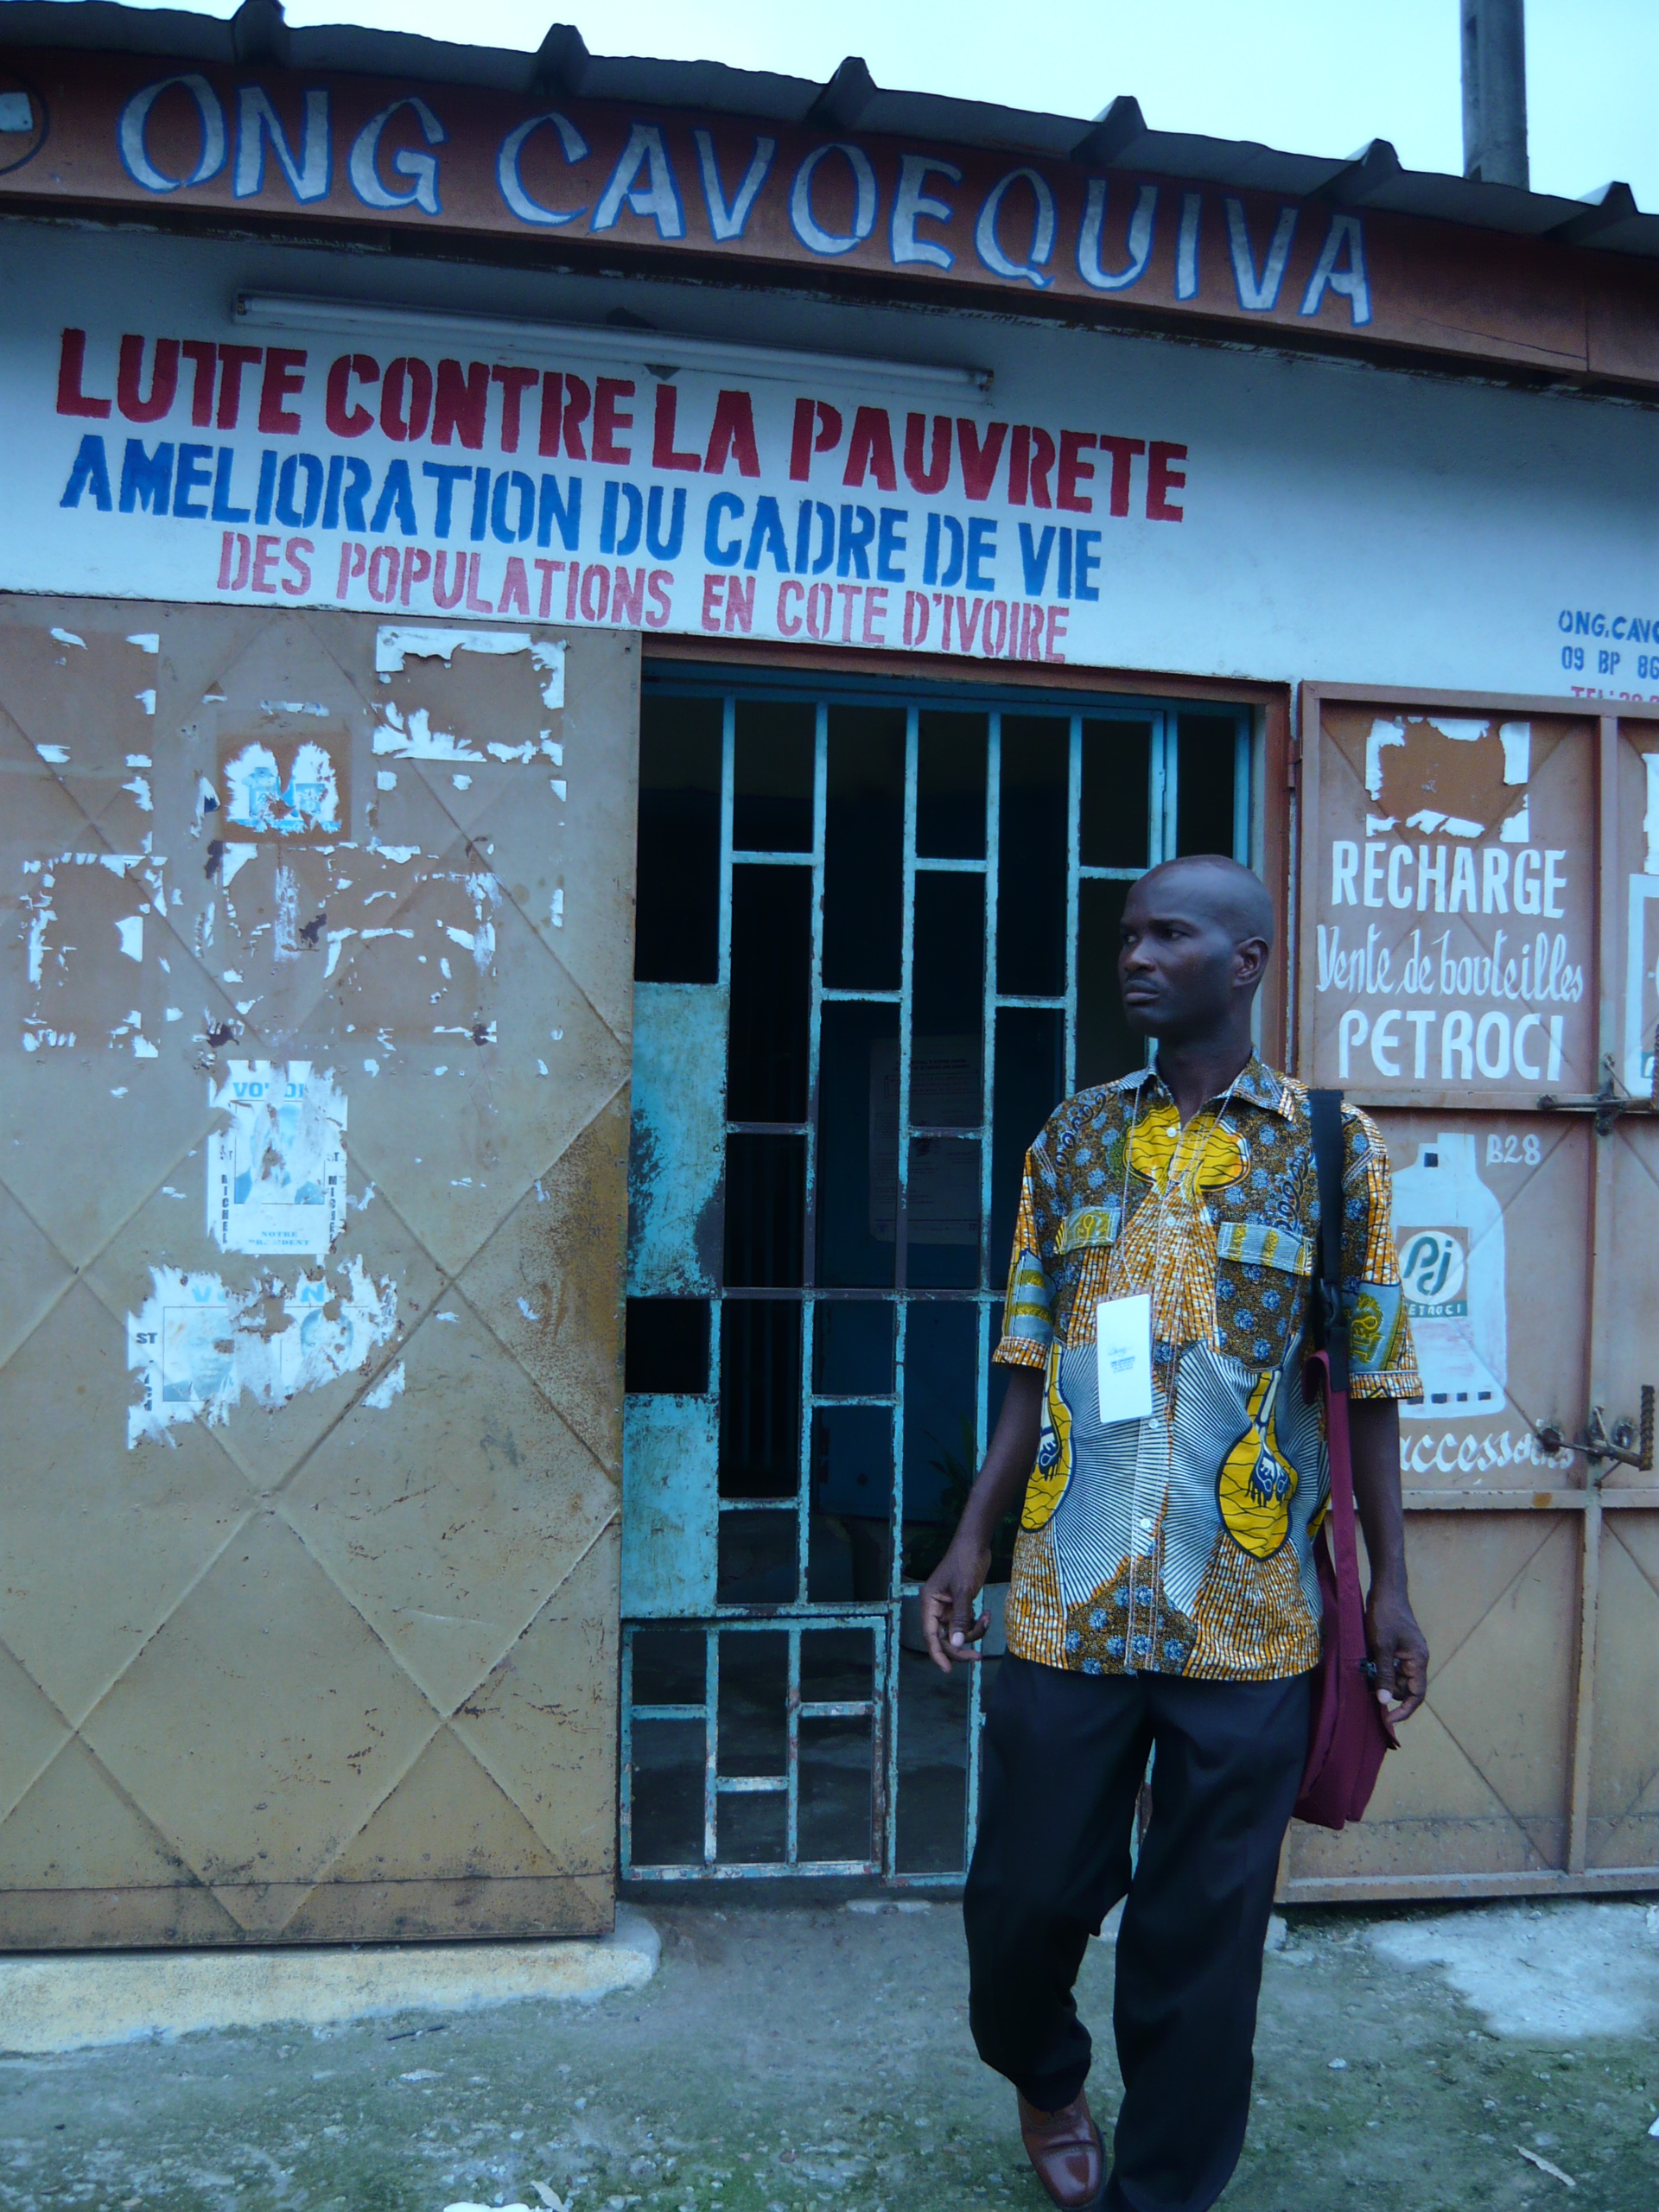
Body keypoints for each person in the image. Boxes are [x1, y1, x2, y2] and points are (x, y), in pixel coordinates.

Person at [919, 854, 1428, 2212]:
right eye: (1127, 935)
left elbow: (1368, 1385)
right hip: (1073, 1598)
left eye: (1168, 935)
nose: (1134, 955)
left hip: (1250, 1616)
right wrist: (973, 1541)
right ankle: (1042, 2067)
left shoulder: (1334, 1150)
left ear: (1247, 961)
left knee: (1202, 1953)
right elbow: (1030, 1365)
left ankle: (1162, 2192)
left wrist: (1389, 1590)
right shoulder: (1071, 1139)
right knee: (1022, 1909)